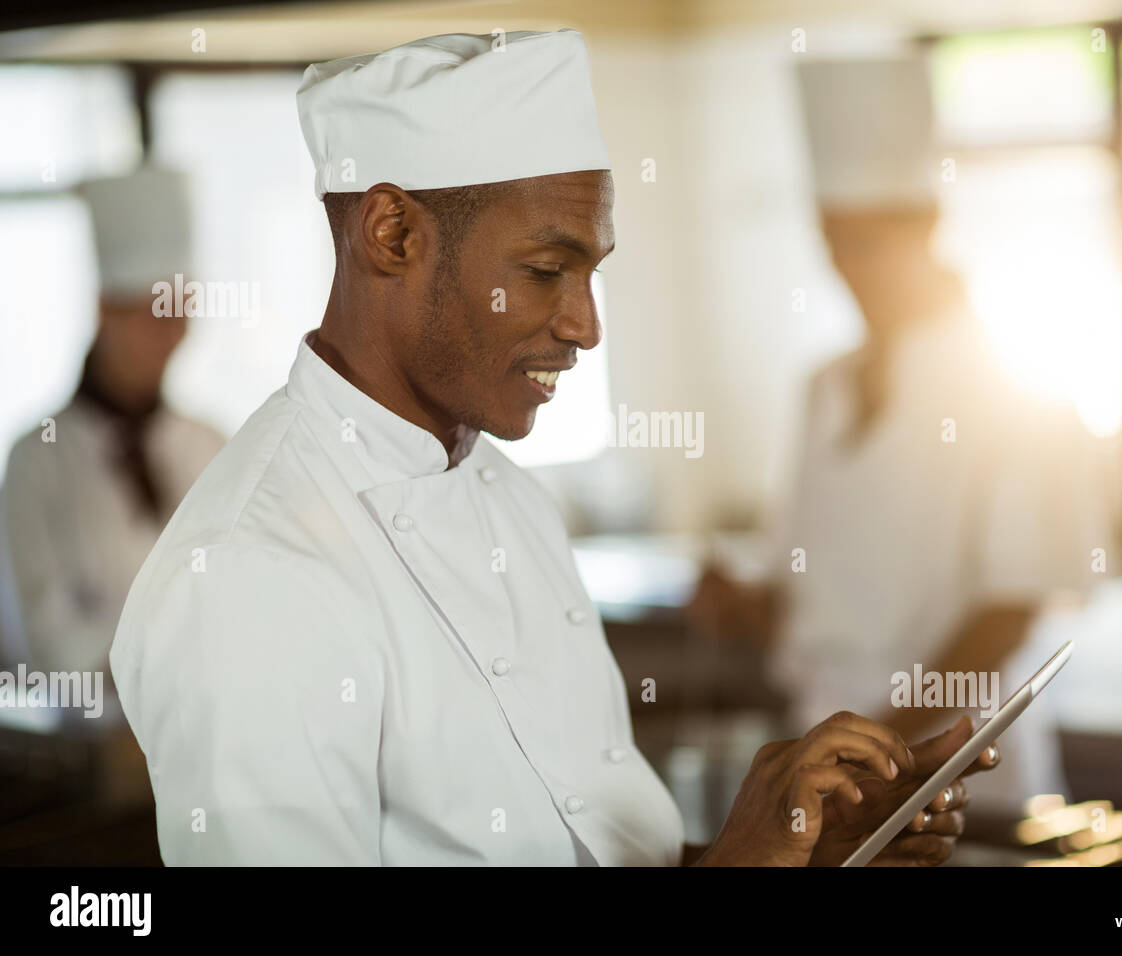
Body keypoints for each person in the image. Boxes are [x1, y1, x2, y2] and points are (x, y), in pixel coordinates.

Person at [110, 29, 997, 866]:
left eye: (591, 273)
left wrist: (786, 850)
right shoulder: (249, 573)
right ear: (393, 234)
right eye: (544, 272)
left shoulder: (515, 505)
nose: (586, 326)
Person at [690, 56, 1102, 813]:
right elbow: (800, 588)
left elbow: (1010, 608)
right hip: (830, 770)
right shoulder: (822, 387)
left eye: (870, 240)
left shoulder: (1014, 384)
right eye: (833, 238)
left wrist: (882, 747)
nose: (848, 266)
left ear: (928, 224)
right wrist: (743, 605)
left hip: (958, 779)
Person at [2, 166, 225, 723]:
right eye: (153, 309)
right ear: (106, 309)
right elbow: (49, 649)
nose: (170, 332)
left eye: (181, 309)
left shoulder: (211, 445)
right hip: (90, 763)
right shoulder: (38, 459)